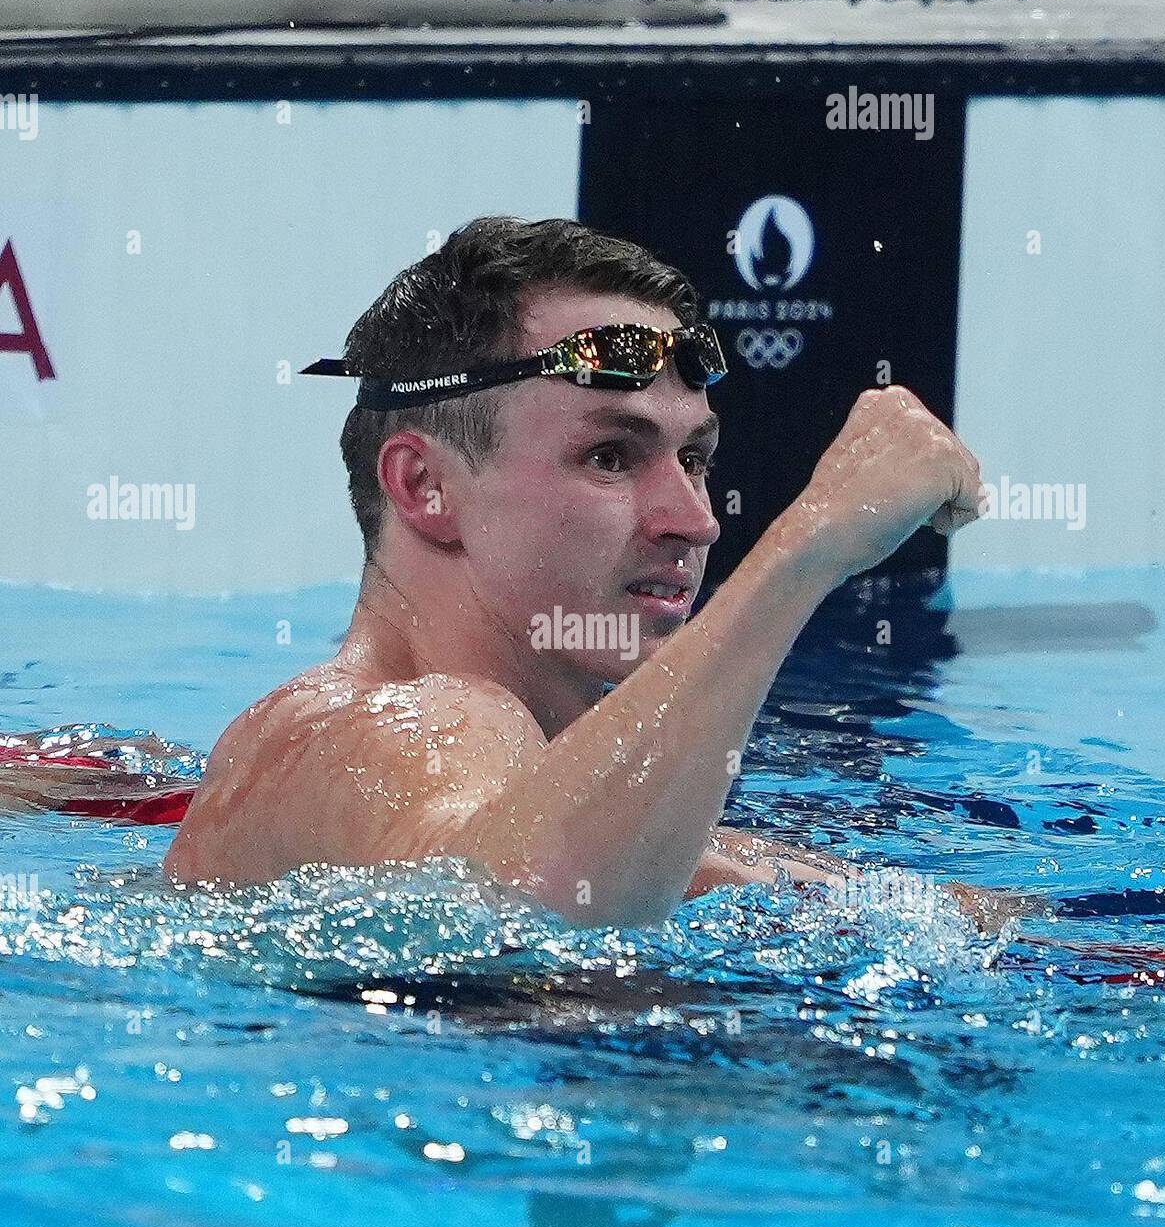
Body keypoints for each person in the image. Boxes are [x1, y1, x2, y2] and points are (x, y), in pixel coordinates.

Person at [161, 215, 1010, 928]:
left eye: (696, 458)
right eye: (610, 456)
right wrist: (810, 546)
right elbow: (522, 906)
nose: (695, 521)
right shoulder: (396, 723)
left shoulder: (544, 786)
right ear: (425, 487)